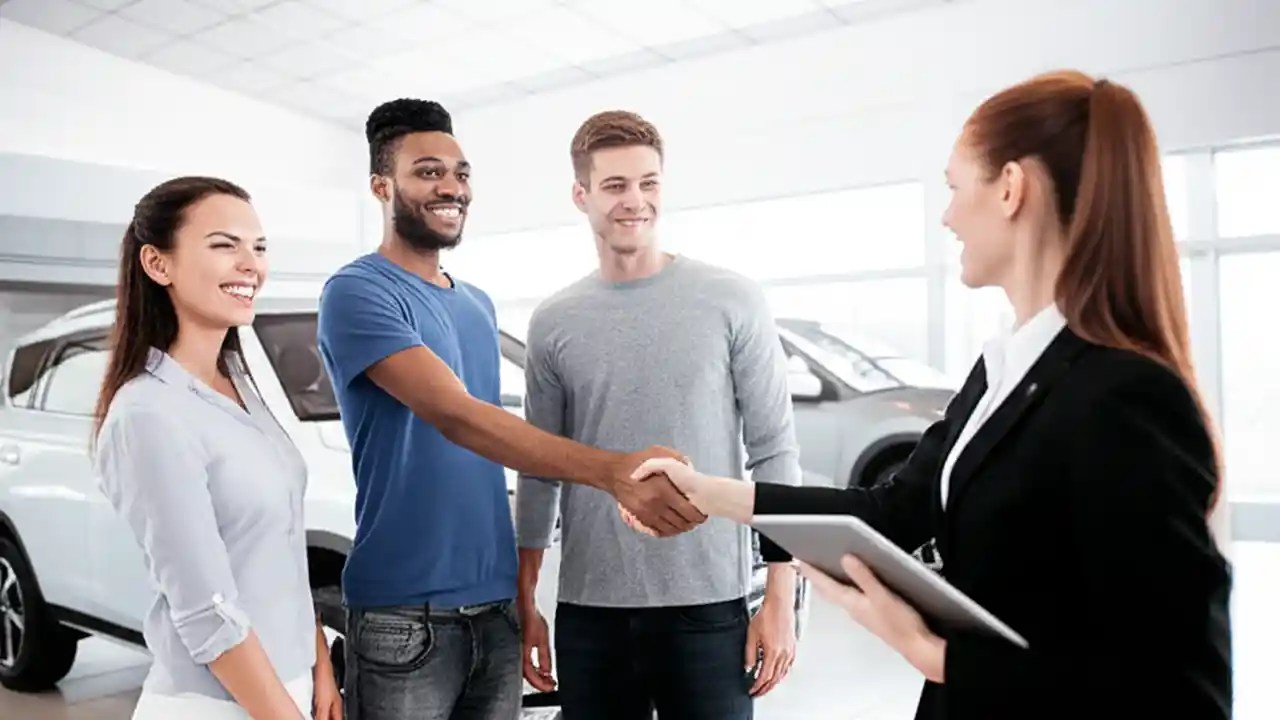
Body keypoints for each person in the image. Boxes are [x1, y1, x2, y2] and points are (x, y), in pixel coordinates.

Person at [632, 70, 1233, 720]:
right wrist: (709, 494)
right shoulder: (1000, 373)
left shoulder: (1126, 397)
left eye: (953, 187)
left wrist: (931, 653)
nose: (946, 217)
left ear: (1010, 188)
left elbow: (1177, 691)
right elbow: (891, 512)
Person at [315, 99, 705, 720]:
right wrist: (611, 472)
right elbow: (459, 416)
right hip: (403, 617)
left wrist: (522, 599)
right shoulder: (358, 291)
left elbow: (495, 451)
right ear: (381, 186)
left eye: (461, 173)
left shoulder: (476, 305)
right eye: (427, 172)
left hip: (494, 611)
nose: (451, 187)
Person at [514, 110, 803, 720]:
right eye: (615, 185)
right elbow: (539, 467)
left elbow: (774, 449)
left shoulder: (732, 299)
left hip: (709, 606)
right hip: (592, 612)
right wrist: (526, 596)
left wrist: (780, 595)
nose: (634, 202)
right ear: (581, 195)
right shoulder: (555, 321)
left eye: (649, 183)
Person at [92, 176, 342, 720]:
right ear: (158, 265)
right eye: (225, 245)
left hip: (289, 687)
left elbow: (281, 554)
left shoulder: (239, 384)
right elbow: (206, 610)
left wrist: (320, 666)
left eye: (258, 247)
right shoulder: (148, 413)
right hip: (215, 705)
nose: (250, 264)